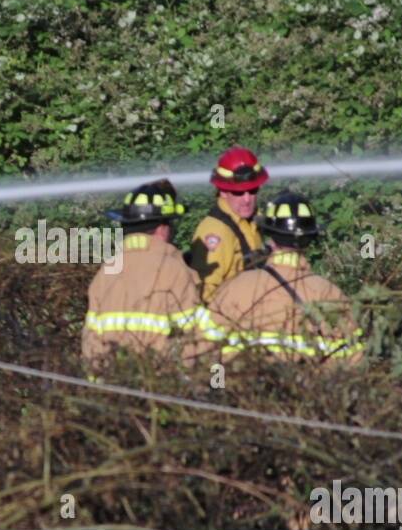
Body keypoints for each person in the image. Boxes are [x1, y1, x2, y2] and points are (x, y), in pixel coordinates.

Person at [200, 191, 364, 364]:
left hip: (240, 388)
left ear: (270, 238)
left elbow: (205, 350)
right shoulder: (330, 295)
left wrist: (217, 386)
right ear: (310, 240)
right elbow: (353, 361)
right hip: (307, 389)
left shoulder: (234, 288)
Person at [82, 179, 205, 371]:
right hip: (161, 386)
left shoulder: (105, 273)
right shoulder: (177, 272)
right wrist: (210, 387)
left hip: (111, 387)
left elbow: (91, 345)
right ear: (162, 229)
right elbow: (193, 343)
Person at [188, 146, 269, 302]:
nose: (247, 199)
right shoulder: (216, 232)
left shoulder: (251, 220)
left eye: (252, 190)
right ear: (223, 191)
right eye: (238, 192)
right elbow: (205, 292)